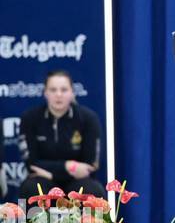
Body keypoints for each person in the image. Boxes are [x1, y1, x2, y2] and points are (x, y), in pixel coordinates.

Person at [16, 70, 107, 204]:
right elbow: (32, 164)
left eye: (64, 90)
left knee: (92, 191)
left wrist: (51, 171)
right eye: (53, 90)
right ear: (45, 93)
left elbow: (90, 166)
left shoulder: (88, 119)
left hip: (78, 182)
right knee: (30, 188)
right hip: (43, 180)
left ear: (72, 92)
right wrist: (69, 166)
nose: (58, 95)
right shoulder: (30, 119)